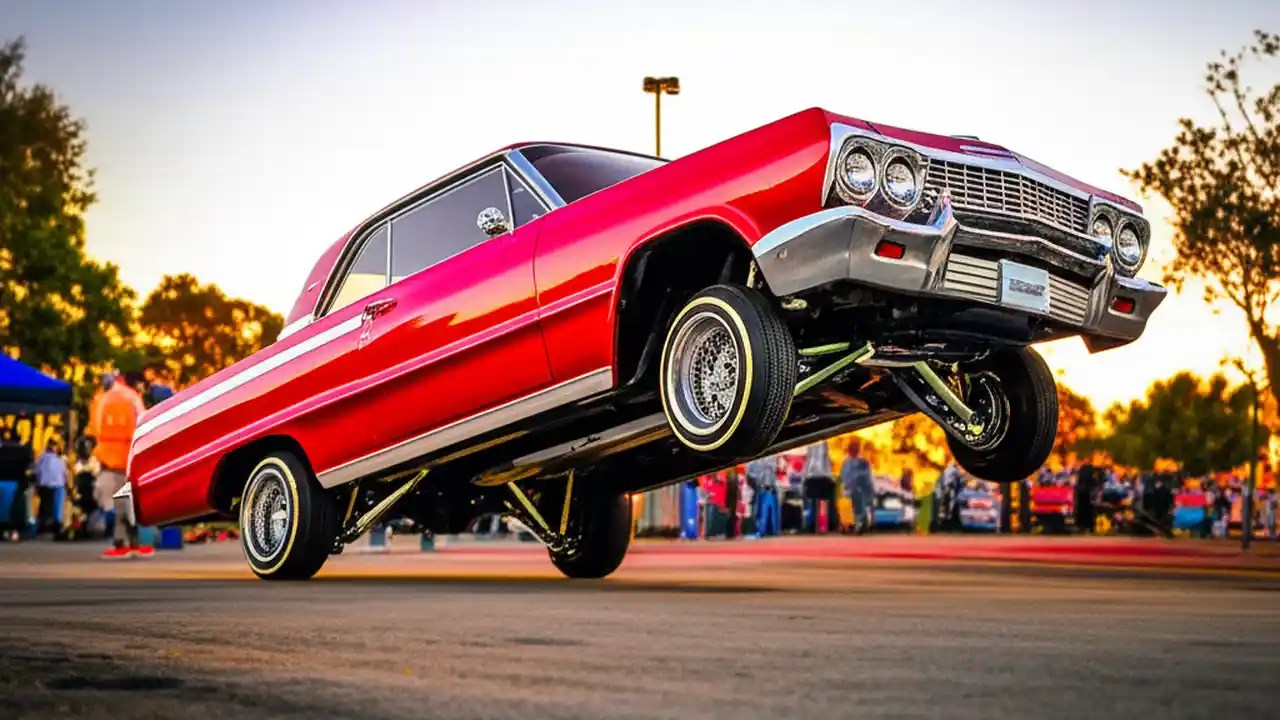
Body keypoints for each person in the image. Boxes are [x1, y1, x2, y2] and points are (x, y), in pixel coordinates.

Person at [88, 370, 152, 559]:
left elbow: (96, 428)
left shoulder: (102, 399)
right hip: (129, 460)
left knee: (119, 504)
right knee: (128, 504)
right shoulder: (133, 398)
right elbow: (143, 425)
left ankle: (121, 542)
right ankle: (131, 542)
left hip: (108, 461)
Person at [0, 427, 35, 542]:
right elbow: (29, 469)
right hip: (17, 483)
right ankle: (16, 530)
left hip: (7, 482)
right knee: (17, 508)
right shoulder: (24, 451)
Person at [840, 438, 874, 534]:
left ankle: (859, 523)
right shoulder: (846, 462)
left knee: (858, 498)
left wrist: (856, 482)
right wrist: (848, 485)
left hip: (861, 490)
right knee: (846, 500)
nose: (854, 450)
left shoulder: (863, 462)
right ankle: (848, 524)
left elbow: (866, 476)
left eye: (856, 448)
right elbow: (844, 477)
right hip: (849, 490)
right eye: (852, 448)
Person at [33, 439, 67, 534]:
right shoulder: (50, 458)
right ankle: (51, 527)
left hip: (48, 485)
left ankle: (45, 527)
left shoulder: (43, 458)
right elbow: (64, 474)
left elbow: (37, 472)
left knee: (46, 508)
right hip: (54, 485)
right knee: (53, 508)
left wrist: (37, 484)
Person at [746, 456, 780, 538]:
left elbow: (775, 471)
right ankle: (762, 531)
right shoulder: (755, 461)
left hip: (770, 489)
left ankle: (771, 531)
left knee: (769, 513)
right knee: (760, 512)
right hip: (761, 489)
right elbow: (750, 473)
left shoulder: (772, 459)